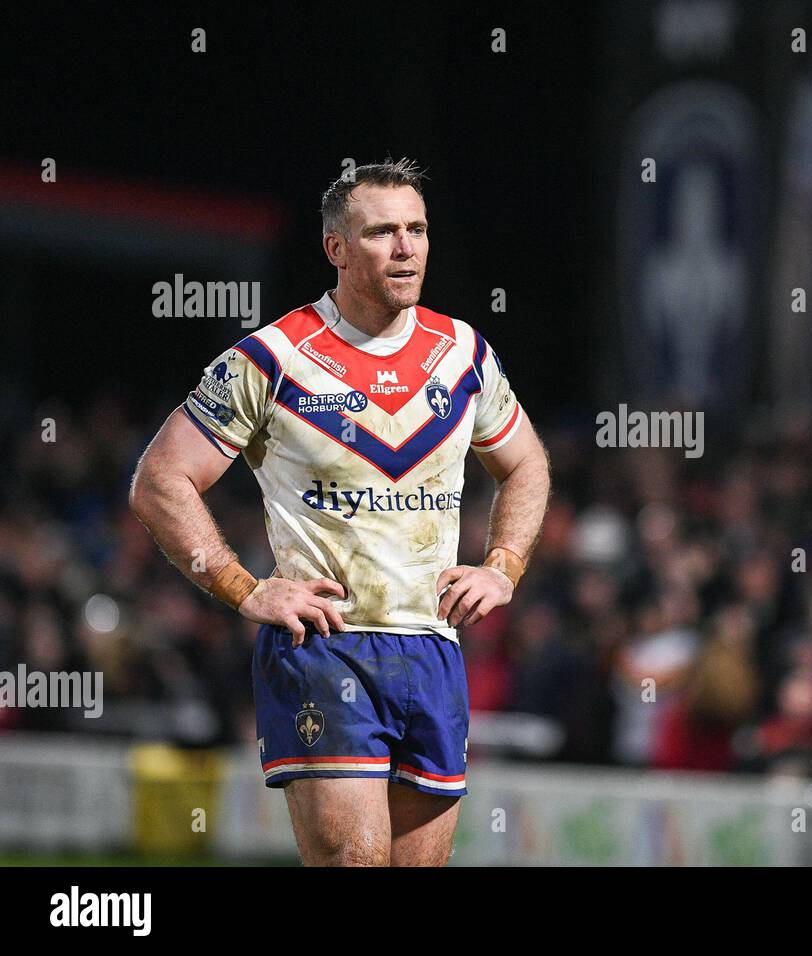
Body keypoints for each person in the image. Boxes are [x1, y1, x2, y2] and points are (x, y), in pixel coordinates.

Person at [128, 159, 550, 866]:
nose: (406, 247)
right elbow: (160, 479)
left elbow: (527, 464)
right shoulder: (272, 358)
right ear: (337, 249)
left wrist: (504, 567)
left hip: (432, 648)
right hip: (327, 647)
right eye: (382, 231)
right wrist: (246, 587)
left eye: (416, 229)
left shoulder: (464, 355)